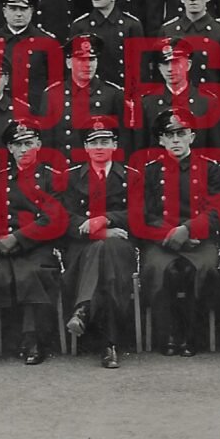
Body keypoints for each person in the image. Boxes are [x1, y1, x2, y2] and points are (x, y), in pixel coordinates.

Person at [138, 109, 220, 356]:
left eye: (181, 133)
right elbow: (143, 214)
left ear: (192, 136)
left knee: (200, 269)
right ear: (161, 140)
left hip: (200, 238)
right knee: (159, 269)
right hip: (161, 239)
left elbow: (217, 211)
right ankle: (167, 335)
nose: (175, 140)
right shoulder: (150, 172)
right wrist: (171, 234)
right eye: (169, 135)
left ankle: (191, 335)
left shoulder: (210, 169)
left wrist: (187, 229)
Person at [0, 119, 69, 364]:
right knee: (0, 275)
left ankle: (33, 338)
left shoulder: (51, 177)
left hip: (39, 246)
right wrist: (2, 238)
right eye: (18, 145)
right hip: (5, 246)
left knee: (32, 273)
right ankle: (10, 338)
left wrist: (18, 238)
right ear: (10, 149)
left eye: (29, 143)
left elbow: (53, 219)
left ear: (39, 144)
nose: (24, 150)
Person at [60, 125, 136, 369]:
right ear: (86, 148)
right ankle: (108, 345)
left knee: (107, 251)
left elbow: (139, 213)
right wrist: (100, 232)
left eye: (105, 141)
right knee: (103, 254)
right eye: (94, 142)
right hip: (81, 248)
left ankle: (83, 308)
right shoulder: (71, 177)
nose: (100, 147)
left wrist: (107, 219)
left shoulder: (131, 176)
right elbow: (63, 217)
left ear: (115, 145)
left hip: (120, 245)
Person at [0, 0, 58, 123]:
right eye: (13, 8)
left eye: (23, 9)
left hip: (34, 111)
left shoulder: (48, 42)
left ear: (32, 11)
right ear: (4, 11)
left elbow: (54, 84)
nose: (18, 14)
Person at [43, 31, 128, 158]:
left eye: (92, 59)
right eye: (81, 60)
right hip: (65, 171)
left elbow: (123, 141)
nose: (87, 65)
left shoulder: (113, 94)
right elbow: (46, 144)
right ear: (69, 63)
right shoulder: (52, 95)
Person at [136, 41, 220, 152]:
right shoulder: (147, 103)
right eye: (165, 64)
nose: (170, 69)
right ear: (159, 68)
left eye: (175, 62)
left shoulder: (208, 102)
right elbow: (140, 150)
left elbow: (216, 150)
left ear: (188, 65)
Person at [68, 0, 145, 90]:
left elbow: (140, 68)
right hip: (89, 94)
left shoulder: (131, 25)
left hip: (122, 91)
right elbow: (73, 67)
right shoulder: (80, 26)